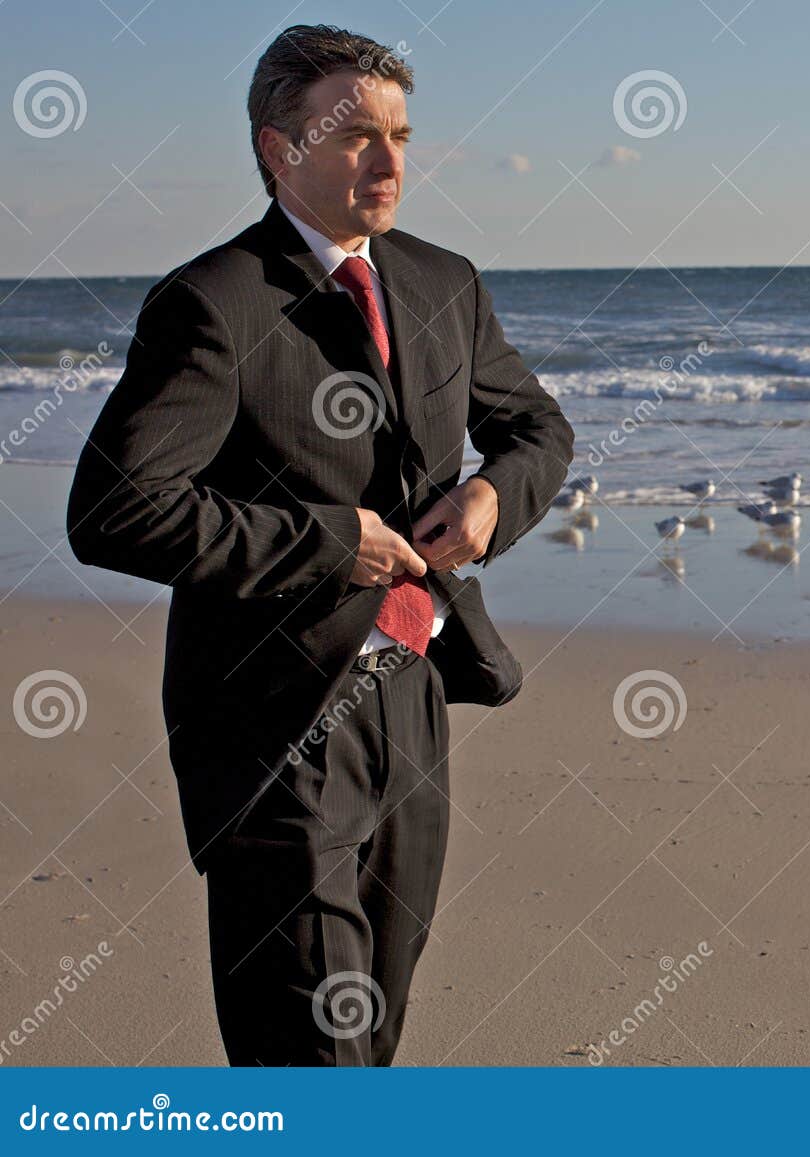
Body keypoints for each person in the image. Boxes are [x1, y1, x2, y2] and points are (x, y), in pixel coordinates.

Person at [66, 23, 574, 1065]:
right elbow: (114, 510)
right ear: (279, 150)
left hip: (414, 692)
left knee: (373, 1034)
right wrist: (329, 544)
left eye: (398, 134)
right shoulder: (210, 305)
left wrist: (488, 498)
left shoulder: (444, 281)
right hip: (269, 721)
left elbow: (537, 430)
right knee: (310, 1049)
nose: (388, 162)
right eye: (354, 138)